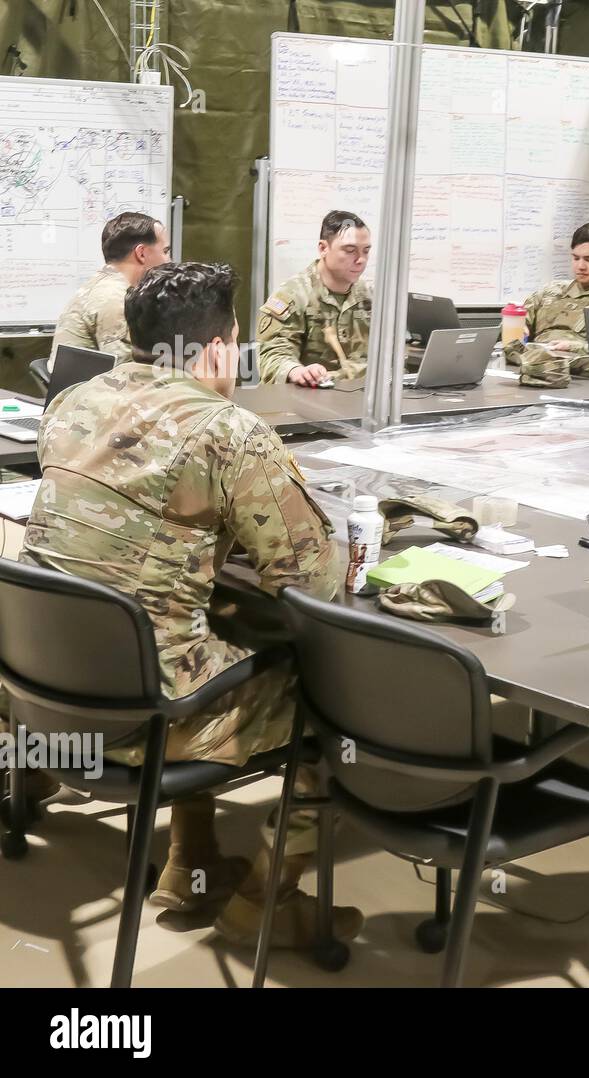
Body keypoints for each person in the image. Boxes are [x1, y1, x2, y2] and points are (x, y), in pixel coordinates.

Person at [24, 260, 361, 949]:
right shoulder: (227, 431)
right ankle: (266, 900)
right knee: (335, 700)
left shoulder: (71, 404)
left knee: (209, 626)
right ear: (215, 348)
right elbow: (314, 580)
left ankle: (191, 860)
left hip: (46, 703)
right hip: (150, 717)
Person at [505, 222, 589, 388]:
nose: (580, 266)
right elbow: (511, 331)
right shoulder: (550, 291)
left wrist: (574, 348)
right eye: (575, 258)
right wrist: (515, 327)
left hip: (587, 383)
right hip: (533, 373)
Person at [257, 210, 372, 386]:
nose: (360, 259)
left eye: (366, 251)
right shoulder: (293, 296)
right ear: (323, 248)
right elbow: (272, 353)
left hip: (361, 398)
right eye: (350, 250)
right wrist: (296, 371)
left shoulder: (370, 296)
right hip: (308, 399)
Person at [52, 212, 171, 367]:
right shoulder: (114, 297)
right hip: (86, 388)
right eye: (165, 251)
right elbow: (125, 372)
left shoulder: (104, 284)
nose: (170, 260)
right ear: (141, 253)